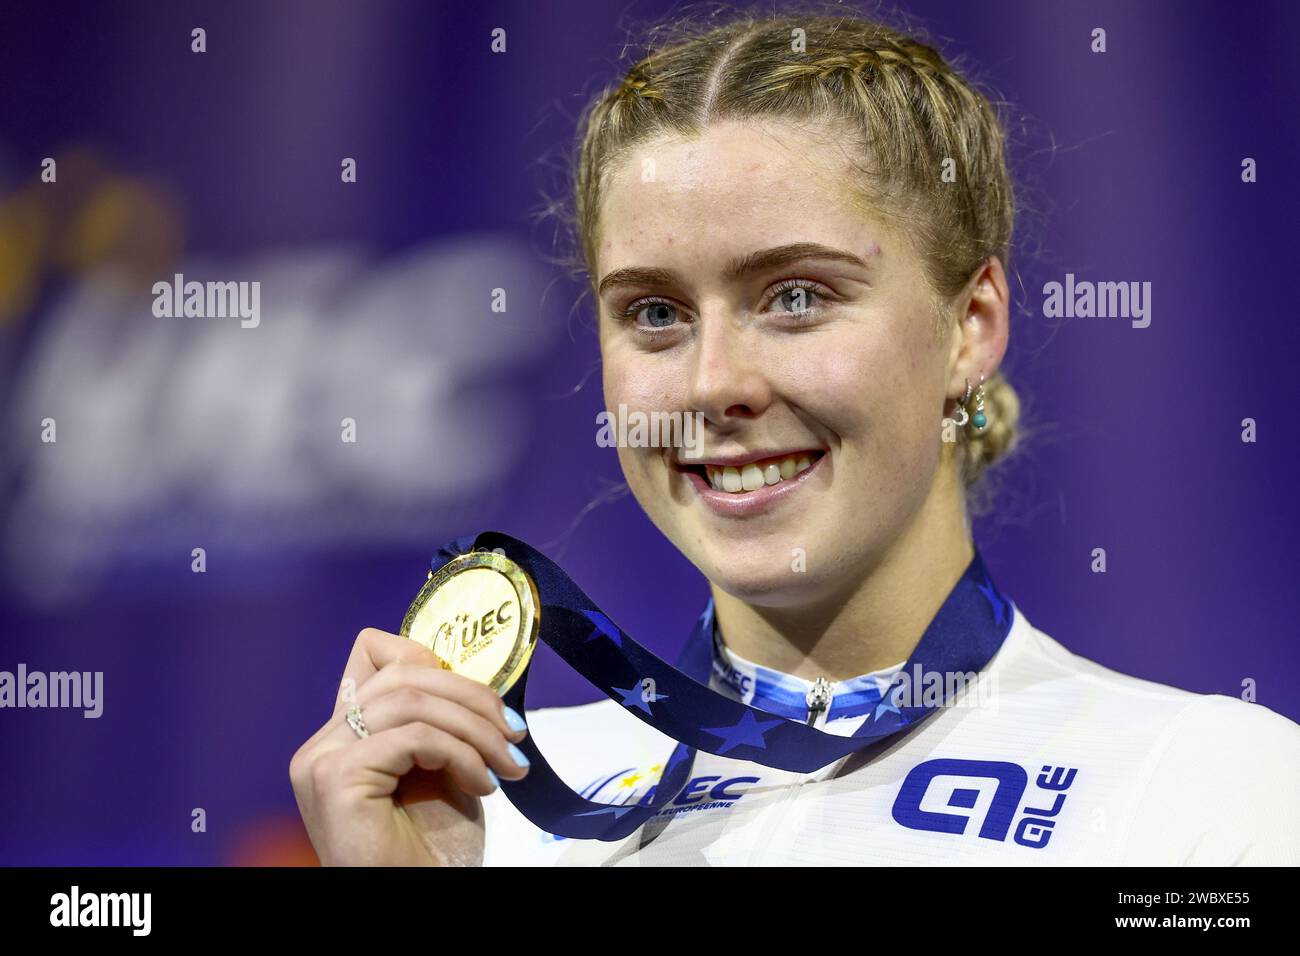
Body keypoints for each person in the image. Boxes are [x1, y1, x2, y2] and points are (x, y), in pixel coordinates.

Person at [289, 5, 1300, 866]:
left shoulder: (1208, 791)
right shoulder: (489, 809)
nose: (714, 381)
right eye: (653, 313)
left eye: (797, 295)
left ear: (971, 326)